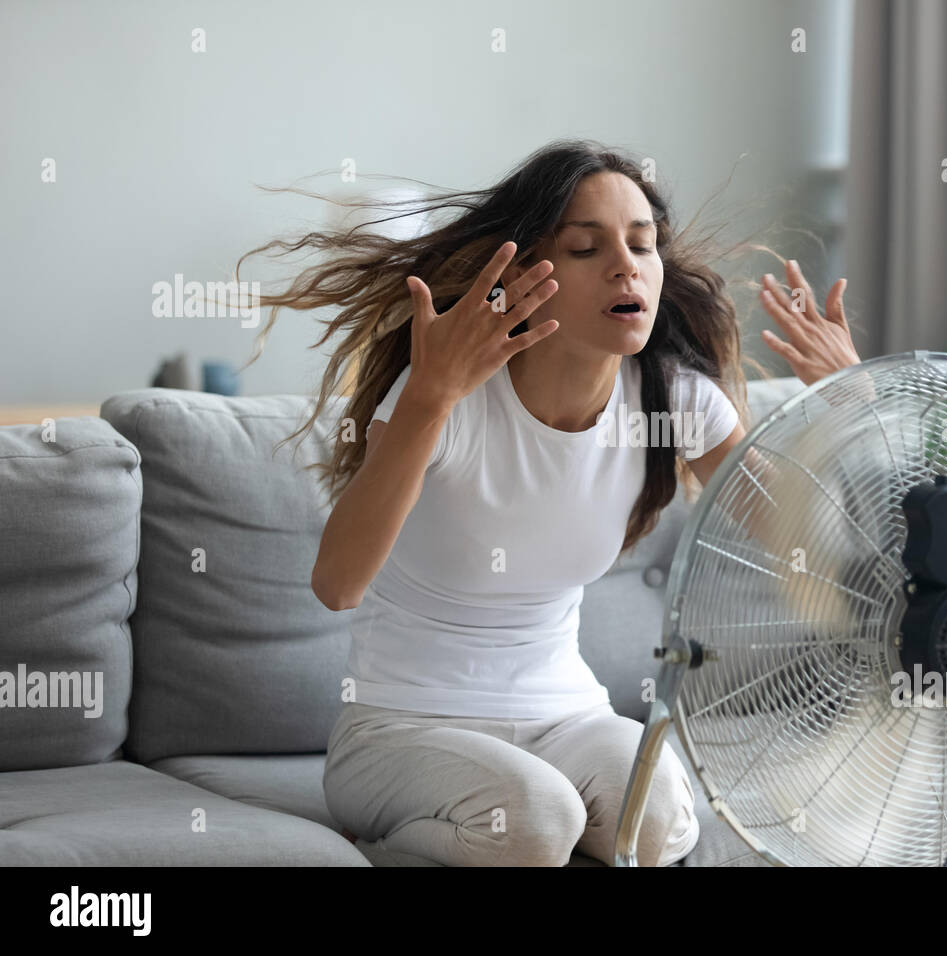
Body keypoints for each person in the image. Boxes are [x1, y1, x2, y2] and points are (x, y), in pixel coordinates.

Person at [237, 139, 861, 866]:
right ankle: (383, 838)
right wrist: (429, 399)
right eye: (586, 248)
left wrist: (852, 408)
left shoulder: (672, 397)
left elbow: (813, 555)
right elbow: (337, 584)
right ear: (529, 270)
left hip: (567, 716)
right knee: (534, 820)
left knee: (656, 818)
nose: (627, 265)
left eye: (642, 244)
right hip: (404, 728)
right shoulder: (447, 391)